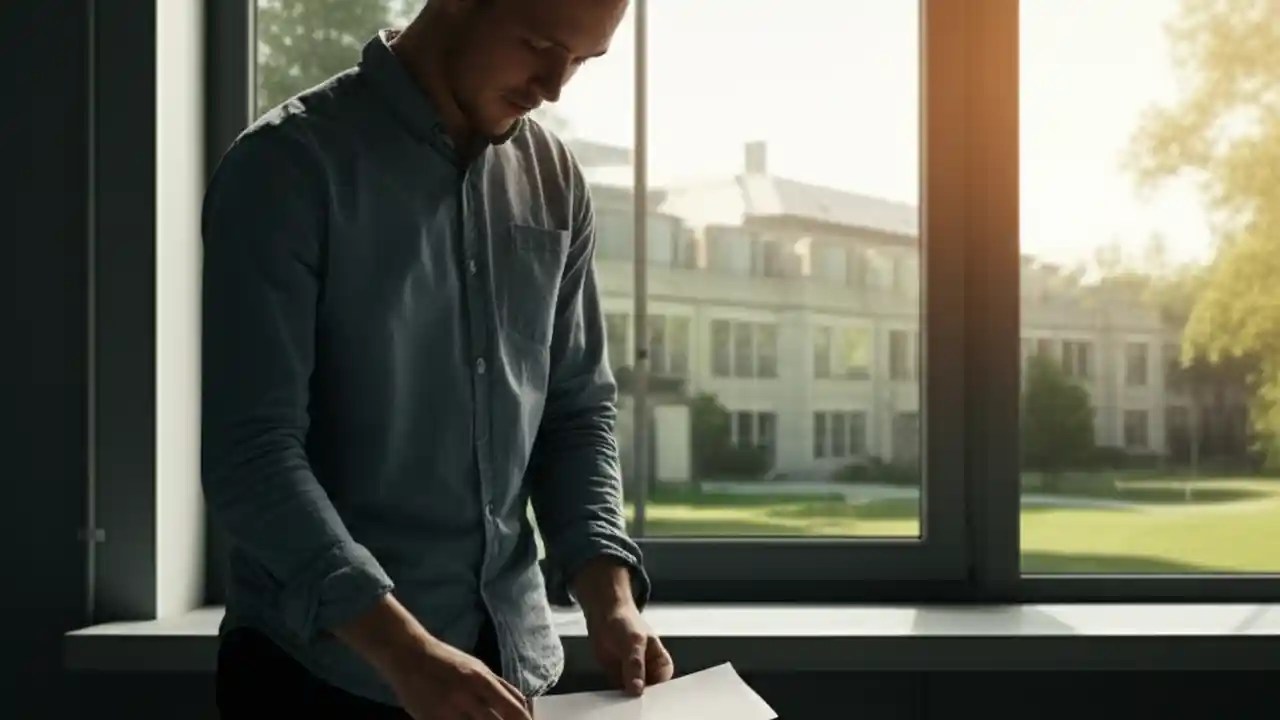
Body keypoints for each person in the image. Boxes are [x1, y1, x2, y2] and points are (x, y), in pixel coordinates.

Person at [200, 0, 674, 717]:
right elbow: (252, 456)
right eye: (539, 45)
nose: (553, 86)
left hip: (509, 669)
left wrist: (610, 600)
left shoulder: (555, 179)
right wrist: (405, 652)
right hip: (319, 677)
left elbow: (575, 414)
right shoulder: (285, 167)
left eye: (581, 61)